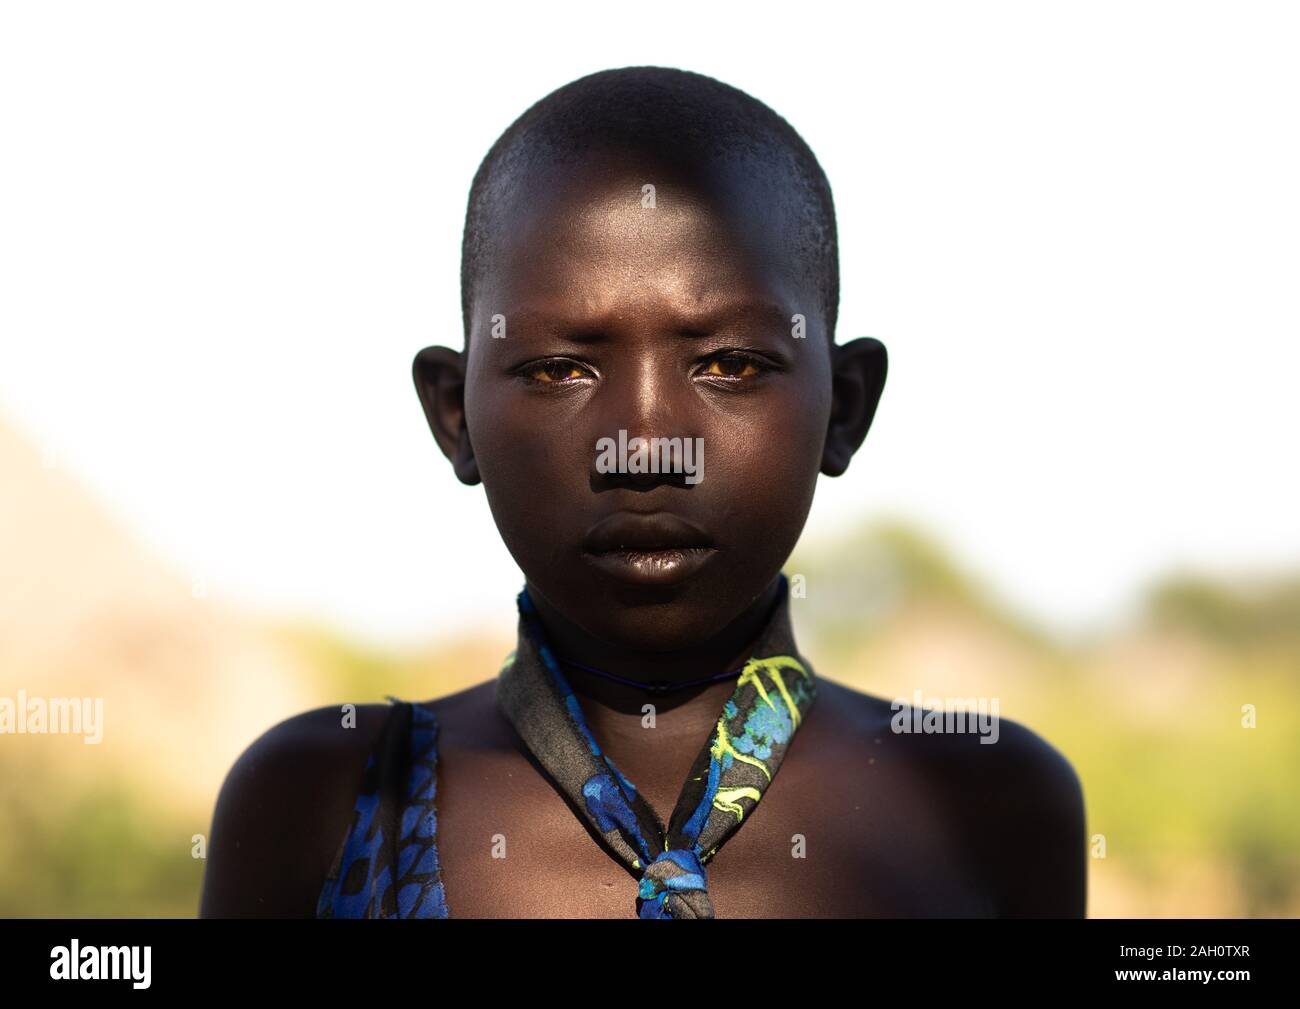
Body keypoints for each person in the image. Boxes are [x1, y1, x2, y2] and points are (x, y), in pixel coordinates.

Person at [199, 65, 1086, 919]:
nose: (646, 446)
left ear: (844, 406)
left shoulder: (984, 805)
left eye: (731, 364)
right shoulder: (329, 803)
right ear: (454, 414)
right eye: (558, 370)